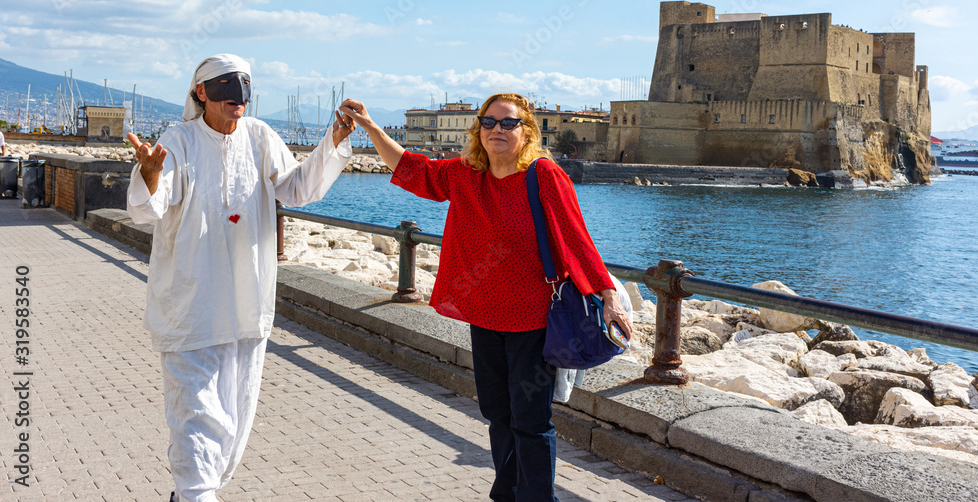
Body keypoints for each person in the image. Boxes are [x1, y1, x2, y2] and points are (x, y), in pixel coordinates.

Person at [340, 93, 632, 502]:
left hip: (534, 320)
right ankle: (507, 493)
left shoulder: (544, 175)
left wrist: (608, 295)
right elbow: (413, 169)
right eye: (489, 122)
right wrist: (371, 127)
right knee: (497, 414)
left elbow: (576, 237)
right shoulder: (467, 174)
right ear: (478, 129)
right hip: (485, 315)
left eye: (508, 123)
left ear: (526, 131)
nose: (497, 129)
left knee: (531, 421)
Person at [126, 53, 355, 502]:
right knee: (196, 414)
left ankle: (196, 491)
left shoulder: (261, 136)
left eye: (245, 86)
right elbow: (150, 203)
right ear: (201, 93)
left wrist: (331, 141)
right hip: (191, 304)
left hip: (247, 303)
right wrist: (149, 175)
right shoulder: (180, 139)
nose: (238, 96)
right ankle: (194, 493)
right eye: (227, 86)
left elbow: (296, 187)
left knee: (233, 418)